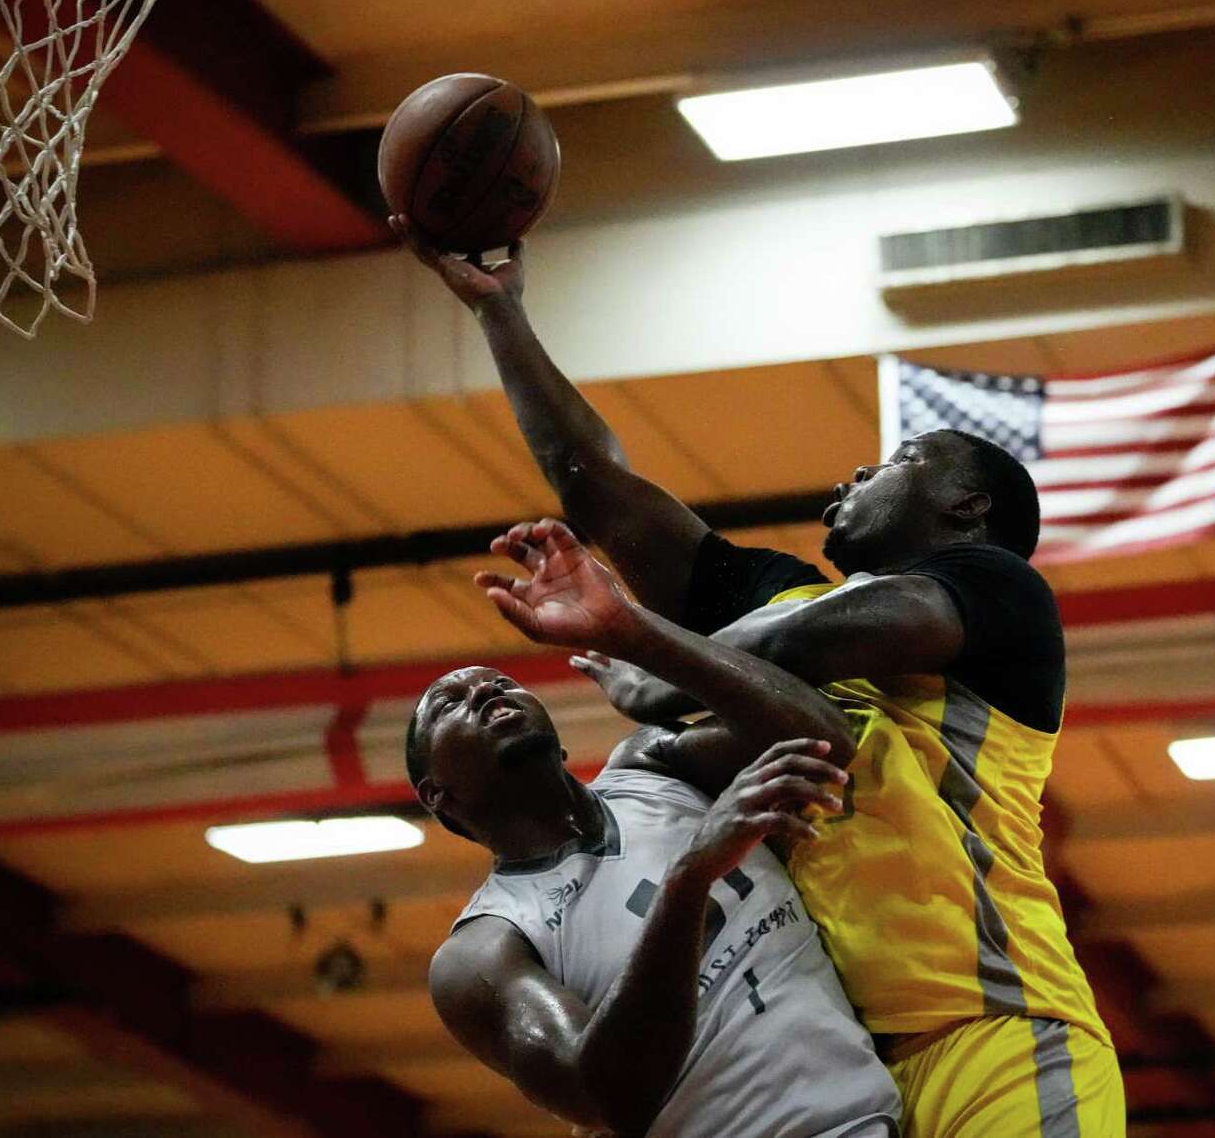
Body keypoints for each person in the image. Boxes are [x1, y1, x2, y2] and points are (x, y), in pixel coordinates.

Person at [398, 223, 1124, 1138]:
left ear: (964, 507)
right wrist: (501, 314)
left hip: (1003, 1029)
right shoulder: (775, 605)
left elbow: (809, 645)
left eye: (894, 464)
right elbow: (601, 488)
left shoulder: (997, 594)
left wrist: (651, 655)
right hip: (873, 1073)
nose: (855, 474)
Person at [414, 519, 900, 1138]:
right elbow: (604, 1095)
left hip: (872, 1120)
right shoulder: (481, 952)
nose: (483, 689)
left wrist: (635, 636)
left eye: (499, 681)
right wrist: (691, 875)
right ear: (439, 797)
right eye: (449, 704)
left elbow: (825, 739)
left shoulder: (650, 764)